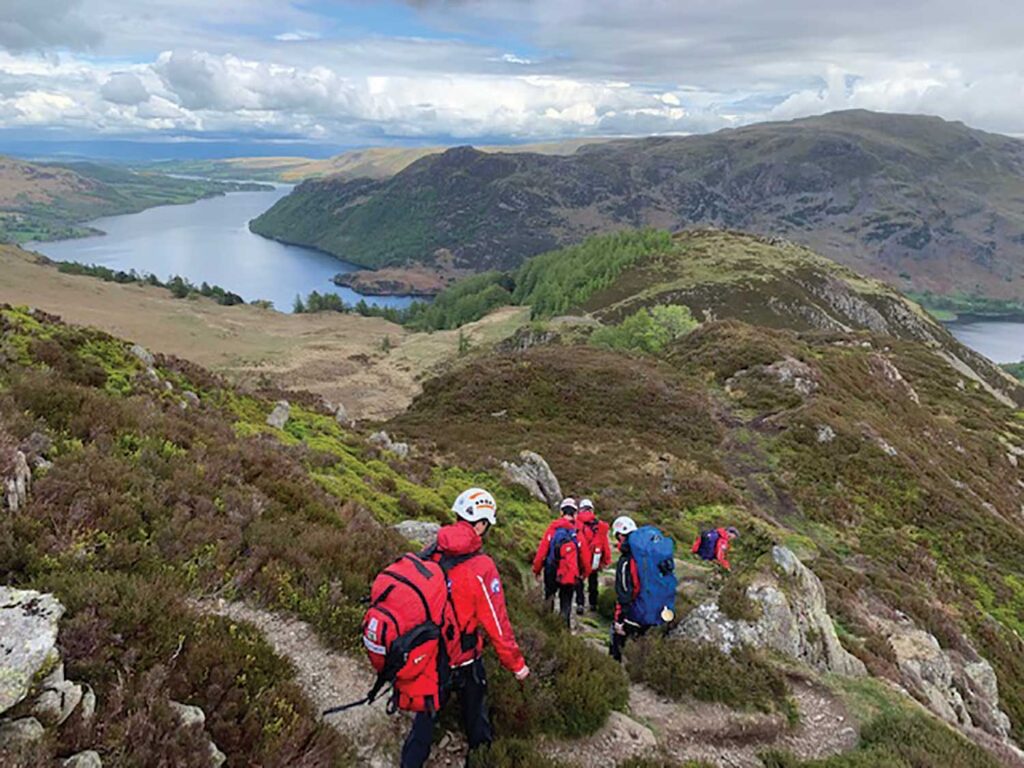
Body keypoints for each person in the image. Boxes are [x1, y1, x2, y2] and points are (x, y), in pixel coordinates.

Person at [402, 488, 530, 768]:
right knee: (477, 721)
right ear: (481, 524)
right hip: (465, 658)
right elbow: (497, 623)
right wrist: (516, 664)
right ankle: (480, 759)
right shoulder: (481, 566)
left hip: (429, 654)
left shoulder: (433, 550)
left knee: (423, 727)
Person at [532, 497, 583, 629]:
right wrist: (583, 573)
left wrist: (537, 569)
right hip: (569, 571)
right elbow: (583, 555)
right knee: (566, 603)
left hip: (551, 569)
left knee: (549, 596)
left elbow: (542, 552)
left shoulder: (553, 529)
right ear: (575, 514)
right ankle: (564, 633)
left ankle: (546, 628)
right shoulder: (576, 532)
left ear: (561, 512)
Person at [609, 515, 646, 662]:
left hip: (633, 611)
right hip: (652, 609)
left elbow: (625, 593)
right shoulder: (646, 554)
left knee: (617, 643)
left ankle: (614, 673)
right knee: (642, 646)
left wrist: (620, 619)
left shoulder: (626, 560)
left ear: (621, 536)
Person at [575, 499, 611, 614]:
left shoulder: (576, 523)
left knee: (579, 580)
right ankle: (593, 604)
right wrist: (606, 560)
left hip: (580, 556)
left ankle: (580, 603)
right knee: (593, 580)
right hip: (595, 556)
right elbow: (604, 543)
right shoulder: (598, 525)